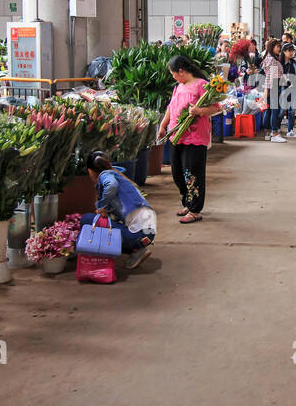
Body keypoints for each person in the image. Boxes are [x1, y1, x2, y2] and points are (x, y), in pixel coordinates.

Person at [158, 55, 216, 223]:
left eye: (173, 74)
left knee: (192, 173)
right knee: (177, 173)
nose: (173, 77)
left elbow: (215, 107)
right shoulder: (179, 86)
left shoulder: (202, 85)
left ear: (181, 71)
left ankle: (195, 209)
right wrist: (163, 125)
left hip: (195, 137)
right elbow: (171, 107)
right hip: (177, 135)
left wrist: (199, 111)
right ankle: (187, 202)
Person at [85, 151, 157, 269]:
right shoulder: (117, 174)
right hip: (148, 233)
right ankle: (135, 250)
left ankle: (137, 247)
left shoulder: (105, 175)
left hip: (140, 234)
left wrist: (101, 206)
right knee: (104, 222)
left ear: (90, 171)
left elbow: (112, 185)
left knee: (87, 220)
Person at [261, 38, 287, 143]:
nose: (279, 48)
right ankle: (275, 133)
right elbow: (271, 77)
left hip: (272, 87)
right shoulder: (272, 60)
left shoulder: (269, 58)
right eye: (277, 47)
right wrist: (267, 90)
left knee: (269, 110)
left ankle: (268, 132)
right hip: (273, 86)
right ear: (272, 47)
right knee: (275, 111)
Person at [280, 43, 296, 137]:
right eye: (289, 50)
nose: (291, 53)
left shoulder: (295, 63)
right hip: (281, 90)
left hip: (293, 89)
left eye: (292, 51)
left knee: (291, 111)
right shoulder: (279, 62)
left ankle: (290, 130)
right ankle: (276, 130)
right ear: (284, 51)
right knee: (281, 111)